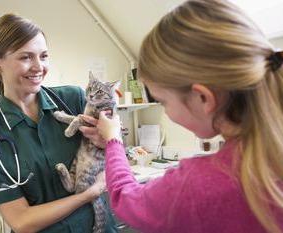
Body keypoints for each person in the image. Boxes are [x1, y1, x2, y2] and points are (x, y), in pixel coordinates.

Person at [96, 0, 283, 232]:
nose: (165, 111)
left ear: (203, 98)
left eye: (163, 102)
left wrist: (113, 140)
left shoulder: (197, 185)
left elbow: (127, 200)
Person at [0, 13, 116, 233]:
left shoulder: (74, 99)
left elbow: (118, 148)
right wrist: (88, 194)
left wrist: (110, 144)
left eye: (44, 56)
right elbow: (22, 221)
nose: (39, 67)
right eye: (26, 57)